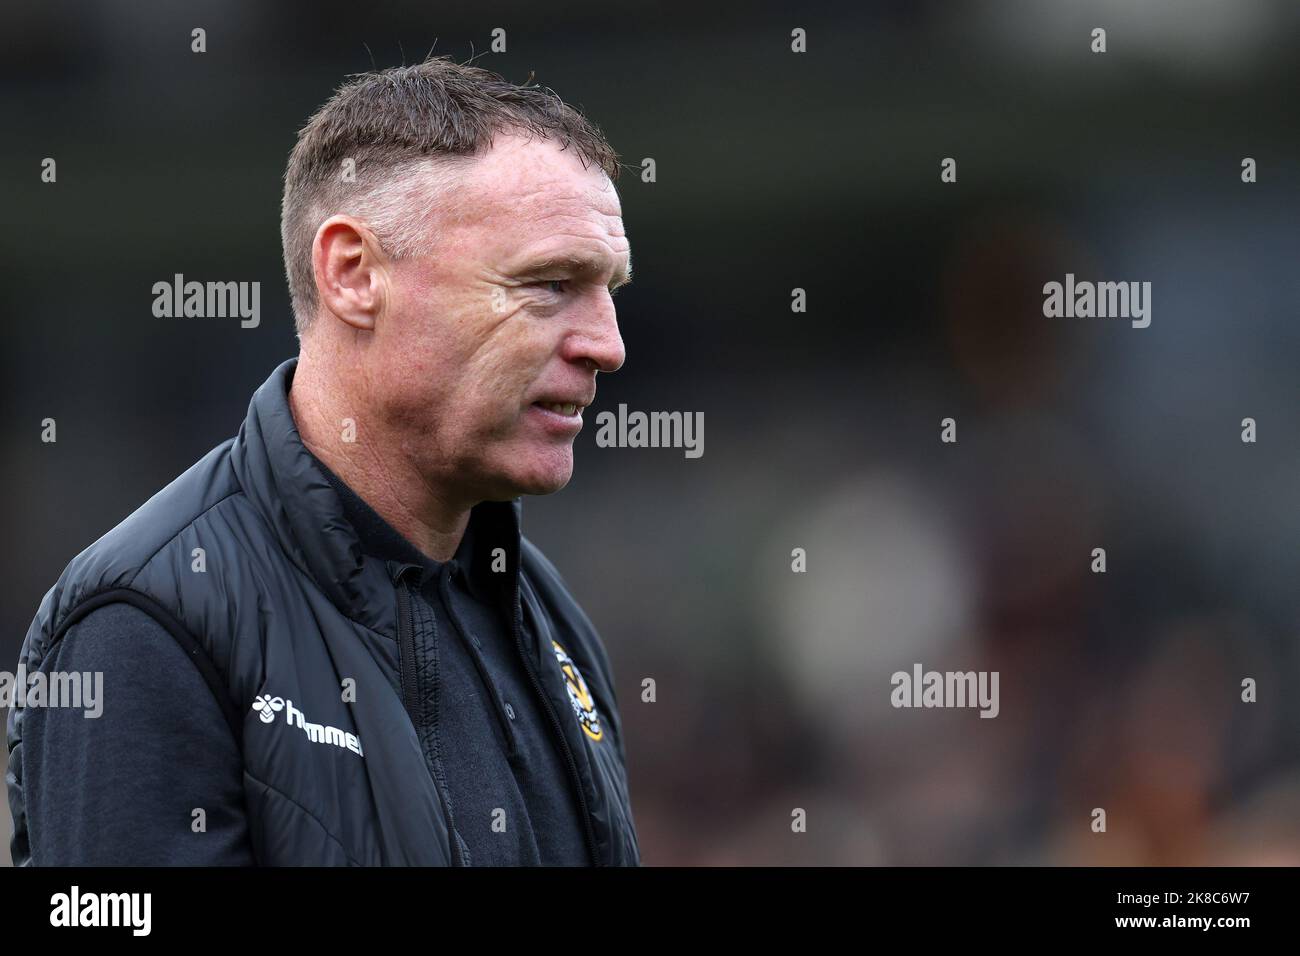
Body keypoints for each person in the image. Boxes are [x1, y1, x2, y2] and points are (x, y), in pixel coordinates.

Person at [6, 56, 640, 866]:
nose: (609, 346)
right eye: (550, 284)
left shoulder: (549, 619)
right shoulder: (145, 629)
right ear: (353, 275)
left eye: (609, 290)